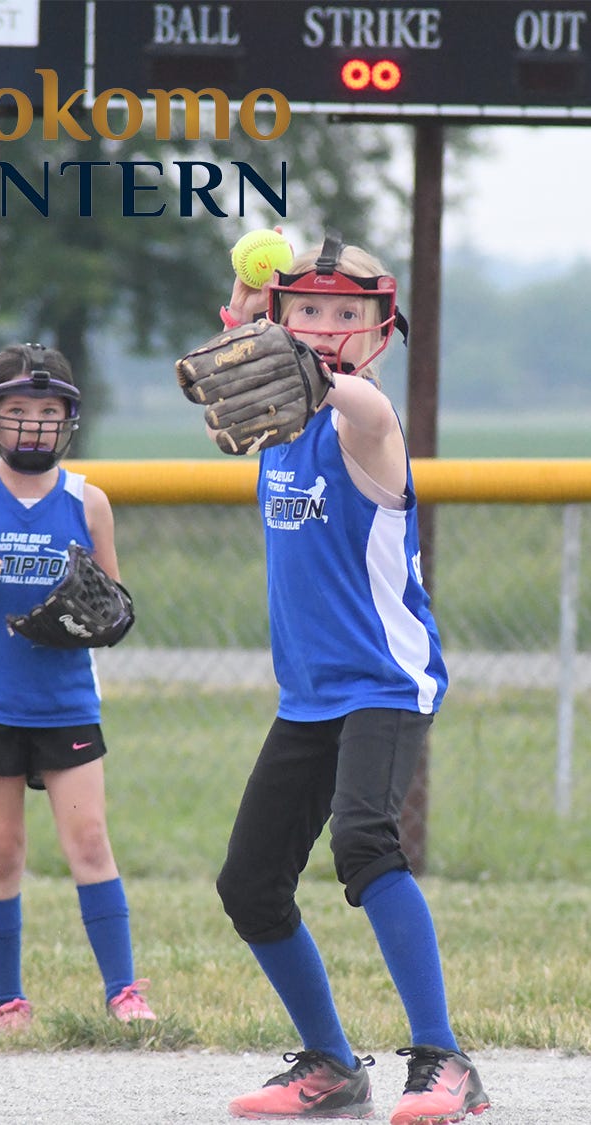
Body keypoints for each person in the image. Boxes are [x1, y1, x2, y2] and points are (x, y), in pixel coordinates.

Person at [212, 232, 490, 1123]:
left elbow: (351, 401)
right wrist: (240, 332)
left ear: (378, 333)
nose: (326, 325)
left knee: (364, 842)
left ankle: (445, 1060)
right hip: (310, 694)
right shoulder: (277, 425)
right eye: (307, 309)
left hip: (384, 680)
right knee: (250, 883)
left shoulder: (366, 419)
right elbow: (234, 386)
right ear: (279, 315)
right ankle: (332, 1065)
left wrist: (287, 353)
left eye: (347, 313)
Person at [0, 342, 155, 1030]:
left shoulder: (88, 501)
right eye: (18, 409)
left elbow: (115, 608)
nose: (34, 424)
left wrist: (87, 612)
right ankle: (7, 1001)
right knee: (1, 852)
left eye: (48, 412)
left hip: (65, 700)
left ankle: (124, 992)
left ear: (68, 419)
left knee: (90, 842)